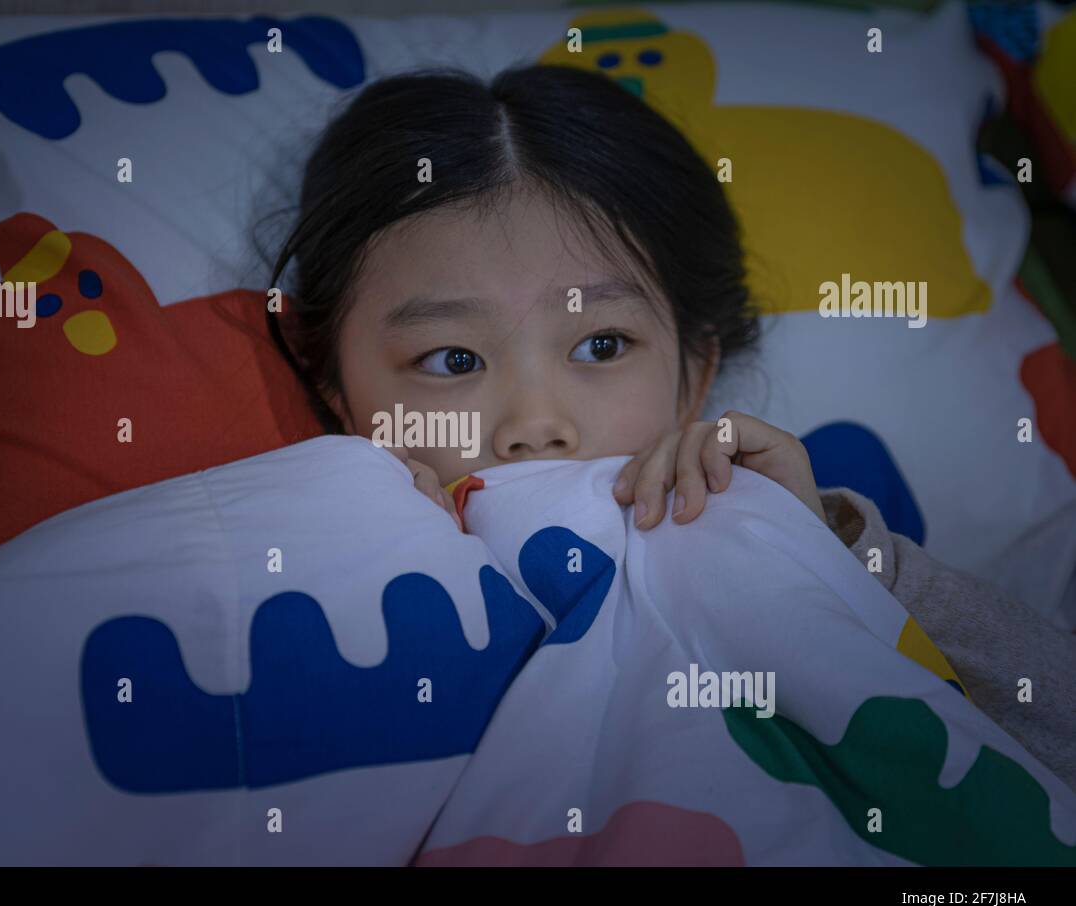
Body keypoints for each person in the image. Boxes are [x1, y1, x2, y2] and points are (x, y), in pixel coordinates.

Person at [265, 64, 1076, 790]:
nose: (535, 426)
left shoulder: (790, 544)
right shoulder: (287, 584)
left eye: (601, 345)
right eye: (450, 360)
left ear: (695, 377)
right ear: (336, 389)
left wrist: (839, 564)